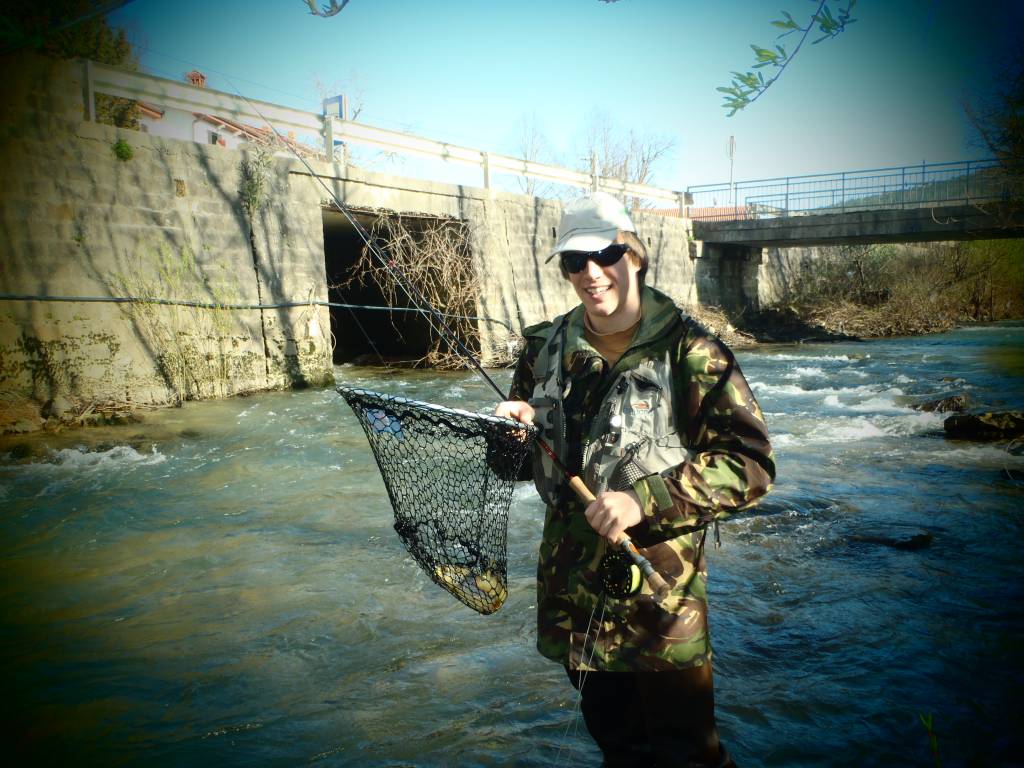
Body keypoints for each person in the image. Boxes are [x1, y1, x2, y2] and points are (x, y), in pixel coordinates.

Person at [495, 192, 774, 767]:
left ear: (635, 256)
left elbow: (750, 464)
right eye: (575, 261)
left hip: (661, 602)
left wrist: (642, 500)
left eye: (605, 255)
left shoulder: (693, 352)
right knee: (618, 749)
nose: (591, 273)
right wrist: (508, 438)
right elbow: (519, 467)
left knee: (690, 757)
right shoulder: (543, 349)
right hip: (574, 595)